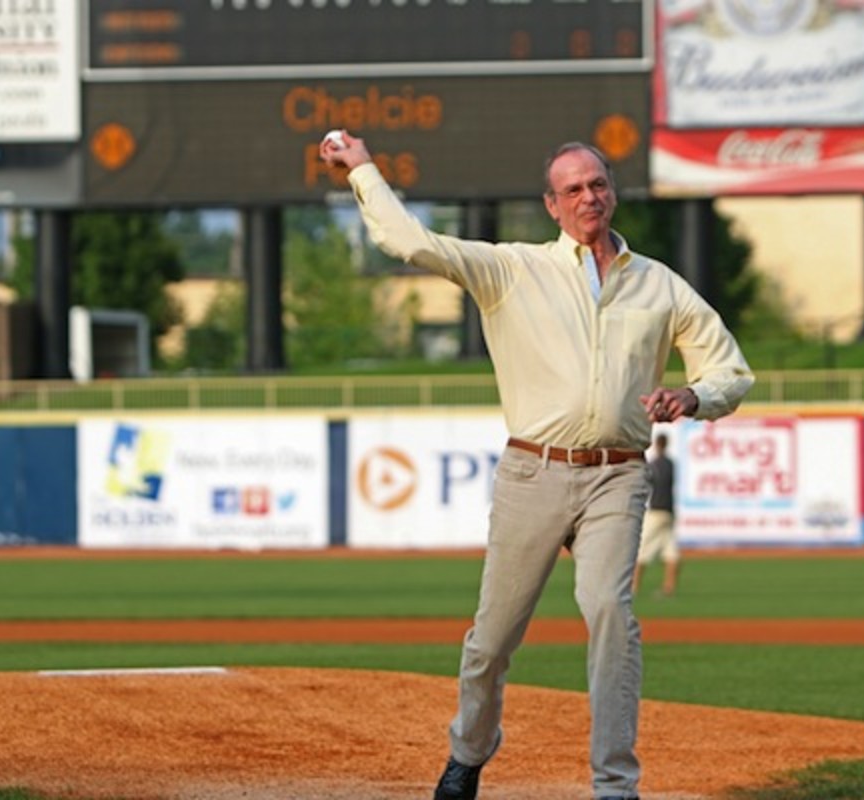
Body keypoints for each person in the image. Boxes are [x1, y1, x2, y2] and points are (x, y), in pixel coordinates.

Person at [320, 131, 754, 800]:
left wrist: (695, 394)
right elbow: (412, 242)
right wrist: (364, 171)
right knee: (492, 640)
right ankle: (467, 753)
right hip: (534, 472)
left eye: (598, 184)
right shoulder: (513, 269)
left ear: (613, 193)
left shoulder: (659, 284)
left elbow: (729, 367)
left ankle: (615, 786)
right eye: (573, 189)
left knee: (609, 608)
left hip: (618, 472)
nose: (589, 196)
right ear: (552, 206)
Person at [633, 433, 679, 597]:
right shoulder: (671, 464)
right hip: (669, 511)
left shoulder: (653, 465)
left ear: (656, 444)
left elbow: (645, 484)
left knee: (641, 550)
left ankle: (634, 587)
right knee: (670, 551)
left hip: (656, 510)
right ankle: (668, 588)